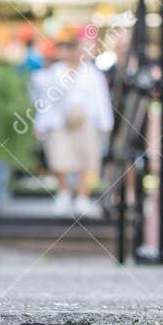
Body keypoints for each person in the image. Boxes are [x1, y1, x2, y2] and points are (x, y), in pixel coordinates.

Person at [33, 38, 114, 215]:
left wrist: (105, 122)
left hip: (86, 123)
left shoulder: (92, 73)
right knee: (60, 159)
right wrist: (40, 123)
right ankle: (63, 194)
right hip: (60, 122)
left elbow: (101, 99)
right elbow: (46, 100)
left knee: (85, 159)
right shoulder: (55, 72)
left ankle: (82, 197)